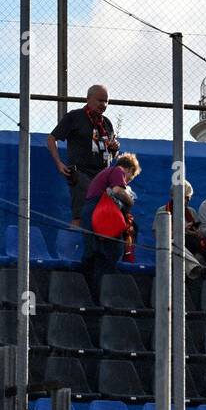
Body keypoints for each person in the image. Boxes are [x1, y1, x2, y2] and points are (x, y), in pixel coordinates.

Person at [48, 85, 118, 229]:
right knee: (79, 215)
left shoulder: (106, 123)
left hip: (102, 176)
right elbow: (51, 139)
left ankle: (94, 249)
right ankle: (71, 249)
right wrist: (59, 163)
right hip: (81, 174)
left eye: (106, 101)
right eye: (100, 100)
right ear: (88, 99)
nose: (103, 105)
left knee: (100, 214)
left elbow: (110, 153)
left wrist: (114, 149)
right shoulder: (75, 117)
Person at [81, 152, 141, 285]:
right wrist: (130, 201)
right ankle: (103, 289)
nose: (128, 181)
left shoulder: (106, 173)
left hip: (92, 212)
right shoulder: (118, 171)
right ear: (130, 169)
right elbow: (117, 191)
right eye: (131, 177)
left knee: (94, 253)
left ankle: (91, 290)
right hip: (100, 212)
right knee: (111, 252)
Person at [163, 181, 206, 280]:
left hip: (192, 243)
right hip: (178, 247)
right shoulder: (163, 211)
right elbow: (161, 238)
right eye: (184, 197)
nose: (187, 201)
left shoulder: (191, 212)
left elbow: (200, 234)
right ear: (174, 196)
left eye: (188, 198)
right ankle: (196, 268)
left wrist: (195, 232)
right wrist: (181, 230)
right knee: (172, 242)